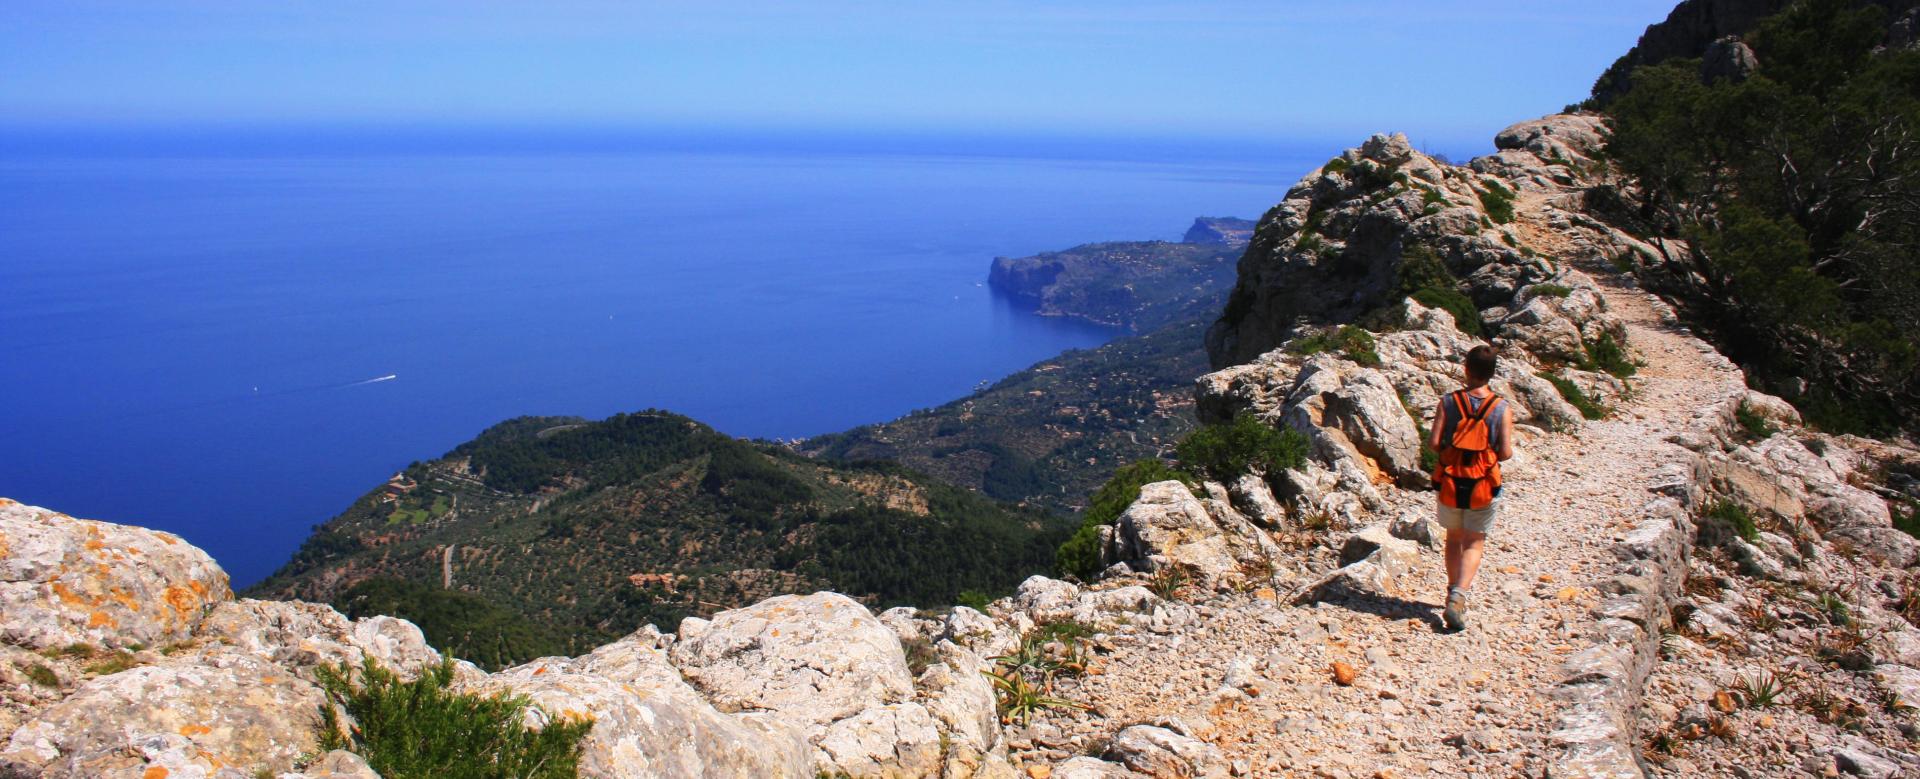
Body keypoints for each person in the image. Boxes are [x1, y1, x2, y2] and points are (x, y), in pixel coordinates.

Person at [1427, 344, 1514, 631]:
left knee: (1454, 538)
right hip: (1483, 485)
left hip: (1451, 481)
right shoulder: (1501, 408)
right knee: (1474, 541)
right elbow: (1505, 453)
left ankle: (1451, 589)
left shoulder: (1448, 402)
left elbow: (1434, 443)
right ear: (1492, 372)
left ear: (1466, 369)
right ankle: (1459, 596)